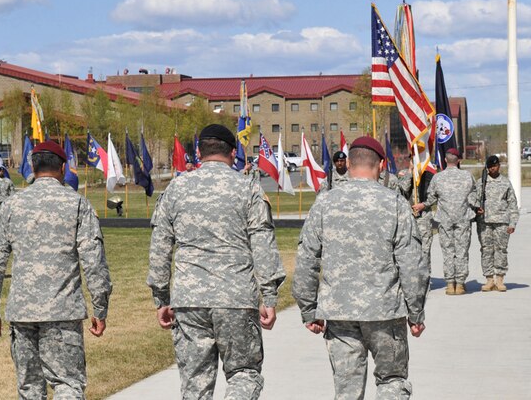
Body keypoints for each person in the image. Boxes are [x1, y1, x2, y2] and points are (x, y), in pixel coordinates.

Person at [148, 124, 286, 399]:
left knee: (195, 382)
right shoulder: (247, 187)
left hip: (190, 300)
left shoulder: (176, 188)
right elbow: (263, 244)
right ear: (233, 153)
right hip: (236, 298)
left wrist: (161, 298)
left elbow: (160, 247)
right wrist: (269, 297)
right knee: (244, 374)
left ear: (199, 152)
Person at [292, 136, 430, 399]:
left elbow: (307, 259)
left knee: (346, 391)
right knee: (392, 383)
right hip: (385, 313)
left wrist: (309, 310)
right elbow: (412, 264)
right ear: (381, 165)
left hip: (340, 314)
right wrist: (416, 313)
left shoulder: (325, 203)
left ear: (350, 164)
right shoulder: (395, 203)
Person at [0, 140, 112, 399]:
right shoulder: (77, 204)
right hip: (63, 311)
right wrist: (100, 308)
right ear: (63, 168)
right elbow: (94, 262)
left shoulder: (11, 206)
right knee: (67, 385)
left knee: (30, 389)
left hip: (23, 311)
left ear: (32, 167)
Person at [413, 148, 476, 295]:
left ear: (446, 160)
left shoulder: (438, 178)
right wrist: (473, 206)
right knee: (461, 250)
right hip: (463, 218)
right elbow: (474, 195)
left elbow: (431, 198)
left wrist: (422, 205)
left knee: (448, 251)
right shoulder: (467, 176)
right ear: (459, 160)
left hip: (445, 219)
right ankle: (459, 284)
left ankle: (450, 284)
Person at [470, 155, 519, 292]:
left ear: (499, 166)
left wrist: (512, 223)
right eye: (490, 167)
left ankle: (500, 279)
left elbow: (513, 204)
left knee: (501, 250)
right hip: (484, 222)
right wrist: (476, 207)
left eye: (495, 166)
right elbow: (472, 197)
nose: (493, 169)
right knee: (486, 250)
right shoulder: (481, 182)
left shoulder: (505, 183)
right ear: (487, 167)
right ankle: (489, 279)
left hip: (502, 222)